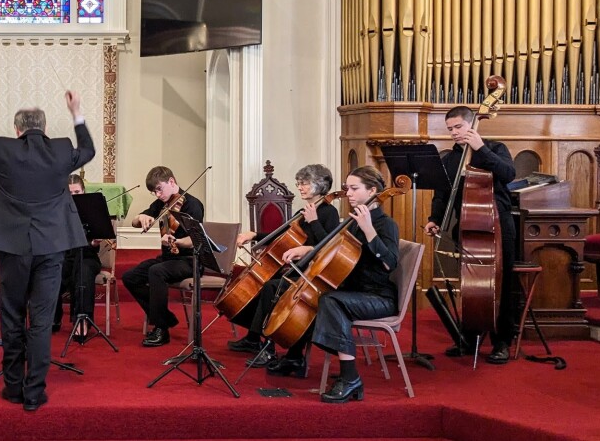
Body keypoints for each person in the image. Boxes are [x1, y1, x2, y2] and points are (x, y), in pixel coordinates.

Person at [0, 89, 94, 412]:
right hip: (51, 247)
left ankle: (13, 387)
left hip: (13, 247)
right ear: (43, 128)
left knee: (13, 317)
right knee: (42, 320)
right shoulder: (61, 150)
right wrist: (77, 113)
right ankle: (35, 393)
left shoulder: (2, 149)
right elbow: (88, 150)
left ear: (17, 129)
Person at [265, 166, 399, 403]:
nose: (348, 193)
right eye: (348, 188)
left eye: (355, 188)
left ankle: (350, 378)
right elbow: (334, 250)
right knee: (302, 290)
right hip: (354, 290)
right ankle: (294, 355)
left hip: (377, 297)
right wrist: (307, 250)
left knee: (330, 301)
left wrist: (369, 231)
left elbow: (390, 264)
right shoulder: (354, 220)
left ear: (373, 191)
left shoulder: (384, 225)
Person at [425, 105, 518, 364]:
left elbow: (509, 174)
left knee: (502, 283)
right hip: (467, 227)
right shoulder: (449, 159)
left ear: (472, 124)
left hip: (498, 226)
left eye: (458, 127)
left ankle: (502, 342)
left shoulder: (494, 149)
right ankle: (470, 337)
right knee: (469, 284)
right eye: (450, 129)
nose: (454, 133)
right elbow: (441, 194)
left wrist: (480, 148)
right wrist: (434, 219)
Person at [226, 164, 341, 367]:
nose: (300, 187)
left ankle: (267, 347)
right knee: (265, 281)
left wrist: (314, 222)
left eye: (305, 183)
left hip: (312, 271)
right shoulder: (302, 210)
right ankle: (254, 338)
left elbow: (328, 246)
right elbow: (283, 233)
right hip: (297, 266)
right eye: (299, 183)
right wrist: (255, 235)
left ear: (320, 185)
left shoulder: (328, 213)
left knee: (272, 287)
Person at [122, 166, 205, 347]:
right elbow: (135, 222)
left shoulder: (193, 205)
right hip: (168, 259)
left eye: (159, 189)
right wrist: (141, 217)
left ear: (172, 182)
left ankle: (161, 329)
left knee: (156, 271)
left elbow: (195, 240)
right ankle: (165, 317)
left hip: (190, 260)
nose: (157, 195)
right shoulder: (162, 203)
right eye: (154, 192)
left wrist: (176, 241)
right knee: (130, 277)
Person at [53, 175, 105, 341]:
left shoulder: (93, 209)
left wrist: (96, 241)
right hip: (66, 257)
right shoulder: (59, 211)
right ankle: (53, 318)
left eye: (77, 192)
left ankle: (82, 320)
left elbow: (98, 239)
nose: (74, 196)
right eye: (71, 193)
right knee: (52, 272)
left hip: (88, 256)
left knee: (83, 273)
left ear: (84, 191)